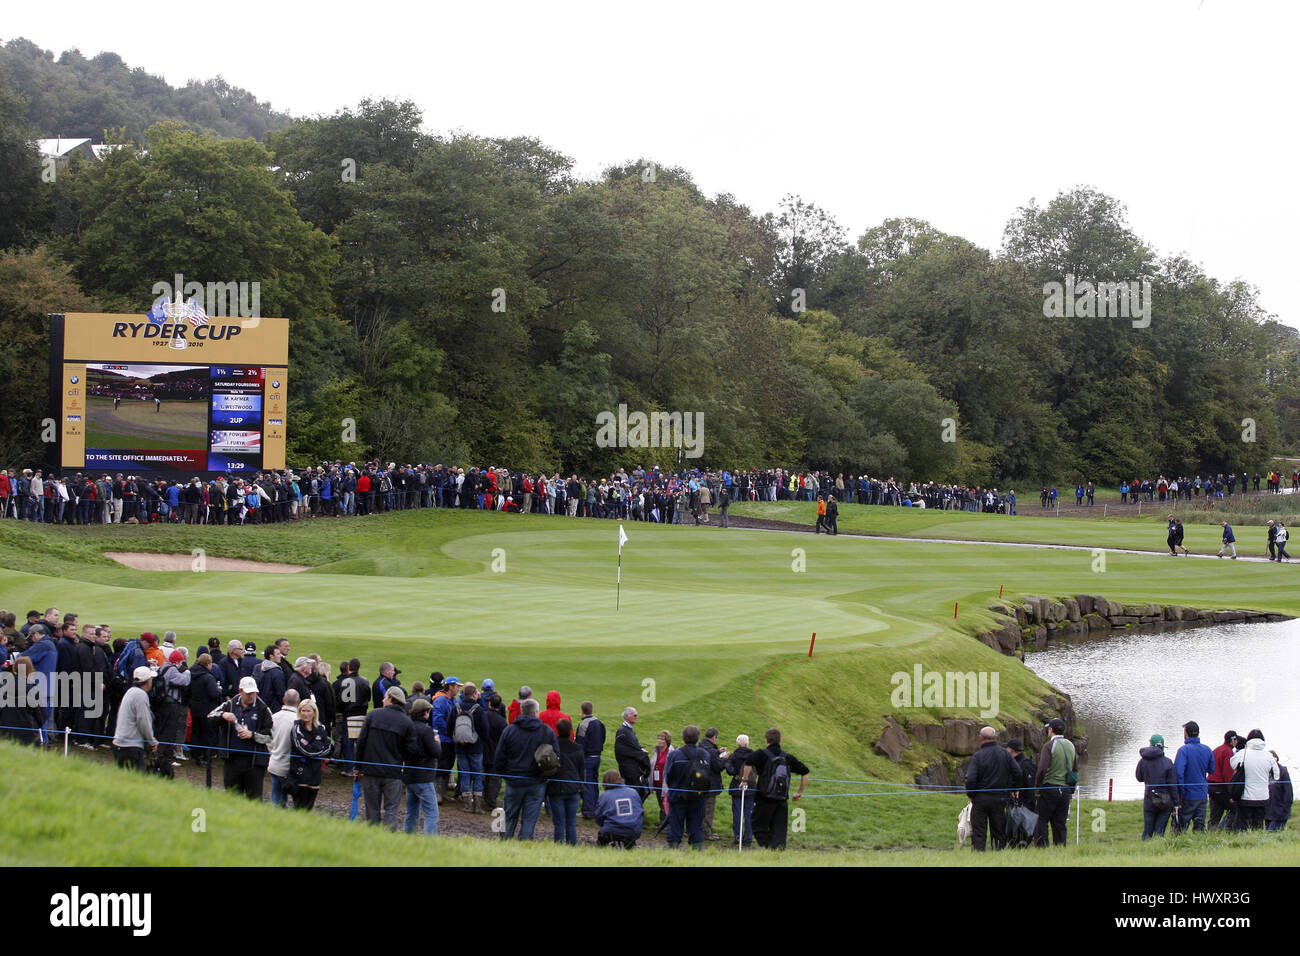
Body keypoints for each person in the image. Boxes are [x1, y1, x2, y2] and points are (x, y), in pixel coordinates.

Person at [493, 697, 559, 840]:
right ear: (536, 712)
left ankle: (503, 845)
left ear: (522, 712)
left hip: (515, 781)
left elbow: (499, 758)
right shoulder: (546, 731)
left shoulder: (509, 730)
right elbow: (556, 757)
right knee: (529, 820)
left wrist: (505, 775)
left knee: (509, 817)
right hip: (536, 782)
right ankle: (524, 846)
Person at [355, 685, 416, 830]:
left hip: (371, 771)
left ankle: (373, 839)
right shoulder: (407, 722)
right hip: (393, 773)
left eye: (385, 697)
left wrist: (357, 766)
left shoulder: (373, 715)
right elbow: (412, 750)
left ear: (391, 699)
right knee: (391, 810)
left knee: (372, 810)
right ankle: (389, 841)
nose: (382, 700)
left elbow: (361, 742)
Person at [742, 728, 809, 850]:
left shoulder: (761, 754)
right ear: (779, 740)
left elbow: (748, 762)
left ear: (767, 740)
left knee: (757, 825)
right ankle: (777, 851)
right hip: (782, 799)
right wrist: (799, 792)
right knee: (779, 830)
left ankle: (769, 848)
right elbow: (806, 772)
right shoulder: (787, 757)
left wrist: (744, 780)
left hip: (764, 798)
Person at [209, 676, 274, 799]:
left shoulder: (263, 709)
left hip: (254, 762)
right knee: (232, 797)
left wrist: (252, 735)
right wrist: (223, 715)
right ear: (240, 691)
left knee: (254, 799)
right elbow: (209, 718)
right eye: (248, 693)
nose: (251, 696)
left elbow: (270, 737)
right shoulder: (229, 705)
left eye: (253, 693)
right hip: (232, 760)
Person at [963, 726, 1023, 851]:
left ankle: (979, 855)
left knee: (979, 830)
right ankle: (998, 854)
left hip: (981, 798)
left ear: (980, 738)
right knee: (998, 830)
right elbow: (1018, 772)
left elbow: (971, 778)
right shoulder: (1005, 754)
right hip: (1000, 798)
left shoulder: (978, 756)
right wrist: (1012, 789)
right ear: (996, 738)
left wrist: (971, 794)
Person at [1032, 717, 1077, 847]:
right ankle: (1060, 849)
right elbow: (1074, 770)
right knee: (1060, 824)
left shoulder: (1048, 746)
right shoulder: (1071, 745)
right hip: (1065, 791)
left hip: (1049, 789)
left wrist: (1037, 789)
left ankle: (1043, 850)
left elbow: (1041, 770)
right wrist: (1071, 792)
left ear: (1051, 730)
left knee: (1042, 822)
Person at [404, 697, 443, 835]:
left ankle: (408, 839)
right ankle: (429, 844)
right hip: (424, 778)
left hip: (409, 776)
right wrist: (437, 741)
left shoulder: (407, 727)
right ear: (425, 713)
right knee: (432, 813)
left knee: (411, 812)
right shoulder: (426, 730)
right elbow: (436, 752)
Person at [450, 681, 490, 813]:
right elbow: (485, 730)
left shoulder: (456, 708)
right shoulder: (479, 710)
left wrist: (457, 738)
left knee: (465, 774)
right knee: (477, 774)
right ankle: (477, 806)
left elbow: (449, 727)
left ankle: (466, 804)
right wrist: (481, 741)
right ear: (474, 695)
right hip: (476, 747)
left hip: (460, 747)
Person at [1230, 729, 1280, 830]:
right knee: (1258, 825)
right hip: (1263, 797)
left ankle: (1242, 844)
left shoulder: (1242, 754)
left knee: (1242, 825)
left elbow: (1232, 764)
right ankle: (1257, 843)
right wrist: (1267, 782)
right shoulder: (1269, 756)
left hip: (1245, 797)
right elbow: (1276, 776)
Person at [287, 698, 332, 810]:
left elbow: (329, 748)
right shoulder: (296, 728)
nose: (306, 714)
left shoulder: (321, 728)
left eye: (308, 711)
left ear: (314, 712)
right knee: (299, 809)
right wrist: (317, 748)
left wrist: (313, 748)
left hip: (315, 774)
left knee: (309, 808)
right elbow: (303, 750)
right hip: (300, 774)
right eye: (303, 711)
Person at [112, 666, 158, 770]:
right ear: (147, 681)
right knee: (137, 780)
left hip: (120, 743)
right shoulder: (141, 696)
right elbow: (143, 721)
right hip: (130, 746)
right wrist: (151, 741)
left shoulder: (131, 691)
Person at [1173, 721, 1214, 833]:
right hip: (1202, 793)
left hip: (1187, 795)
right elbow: (1212, 769)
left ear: (1186, 733)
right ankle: (1201, 847)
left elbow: (1178, 773)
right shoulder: (1207, 749)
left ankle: (1179, 846)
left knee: (1182, 826)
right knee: (1200, 825)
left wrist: (1180, 792)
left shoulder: (1183, 750)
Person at [550, 717, 585, 844]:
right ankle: (572, 847)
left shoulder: (553, 747)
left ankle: (559, 846)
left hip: (557, 788)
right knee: (571, 823)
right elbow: (582, 771)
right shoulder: (578, 748)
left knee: (558, 823)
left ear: (557, 730)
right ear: (570, 730)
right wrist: (581, 788)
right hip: (574, 788)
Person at [1136, 734, 1178, 839]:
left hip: (1149, 799)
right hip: (1165, 801)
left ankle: (1145, 852)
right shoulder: (1168, 762)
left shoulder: (1143, 761)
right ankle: (1157, 850)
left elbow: (1139, 778)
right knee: (1160, 832)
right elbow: (1173, 785)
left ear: (1150, 744)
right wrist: (1176, 804)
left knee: (1147, 831)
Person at [268, 689, 302, 807]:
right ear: (299, 702)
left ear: (283, 700)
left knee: (277, 801)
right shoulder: (299, 721)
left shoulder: (273, 717)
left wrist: (272, 751)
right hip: (291, 767)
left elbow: (268, 740)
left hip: (274, 764)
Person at [595, 770, 644, 848]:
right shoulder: (633, 792)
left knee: (602, 839)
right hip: (634, 831)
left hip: (612, 831)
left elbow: (599, 817)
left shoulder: (605, 796)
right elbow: (640, 811)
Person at [615, 706, 652, 804]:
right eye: (634, 715)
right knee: (634, 794)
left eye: (637, 715)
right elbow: (623, 750)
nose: (636, 716)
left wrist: (640, 748)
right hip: (629, 771)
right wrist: (641, 753)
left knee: (641, 792)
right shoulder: (623, 731)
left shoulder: (628, 730)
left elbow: (633, 747)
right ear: (627, 716)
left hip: (633, 769)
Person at [575, 700, 606, 818]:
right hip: (597, 756)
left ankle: (588, 811)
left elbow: (580, 743)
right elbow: (603, 738)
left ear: (582, 711)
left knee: (587, 783)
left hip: (587, 757)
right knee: (593, 782)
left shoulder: (584, 724)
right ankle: (595, 807)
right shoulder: (600, 723)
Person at [725, 734, 757, 847]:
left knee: (737, 813)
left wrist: (736, 774)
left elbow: (727, 766)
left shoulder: (734, 755)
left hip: (736, 786)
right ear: (747, 743)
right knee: (749, 813)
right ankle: (748, 837)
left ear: (738, 744)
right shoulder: (754, 755)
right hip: (751, 786)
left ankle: (738, 836)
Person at [1207, 729, 1237, 829]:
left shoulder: (1216, 750)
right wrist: (1231, 793)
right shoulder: (1228, 752)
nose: (1236, 742)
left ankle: (1211, 833)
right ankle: (1223, 829)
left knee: (1215, 813)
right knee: (1235, 809)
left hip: (1210, 786)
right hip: (1220, 787)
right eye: (1235, 739)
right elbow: (1227, 774)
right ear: (1232, 740)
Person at [1265, 750, 1292, 832]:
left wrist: (1284, 810)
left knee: (1271, 835)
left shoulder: (1283, 772)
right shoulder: (1265, 772)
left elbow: (1288, 793)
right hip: (1268, 813)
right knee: (1269, 836)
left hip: (1280, 812)